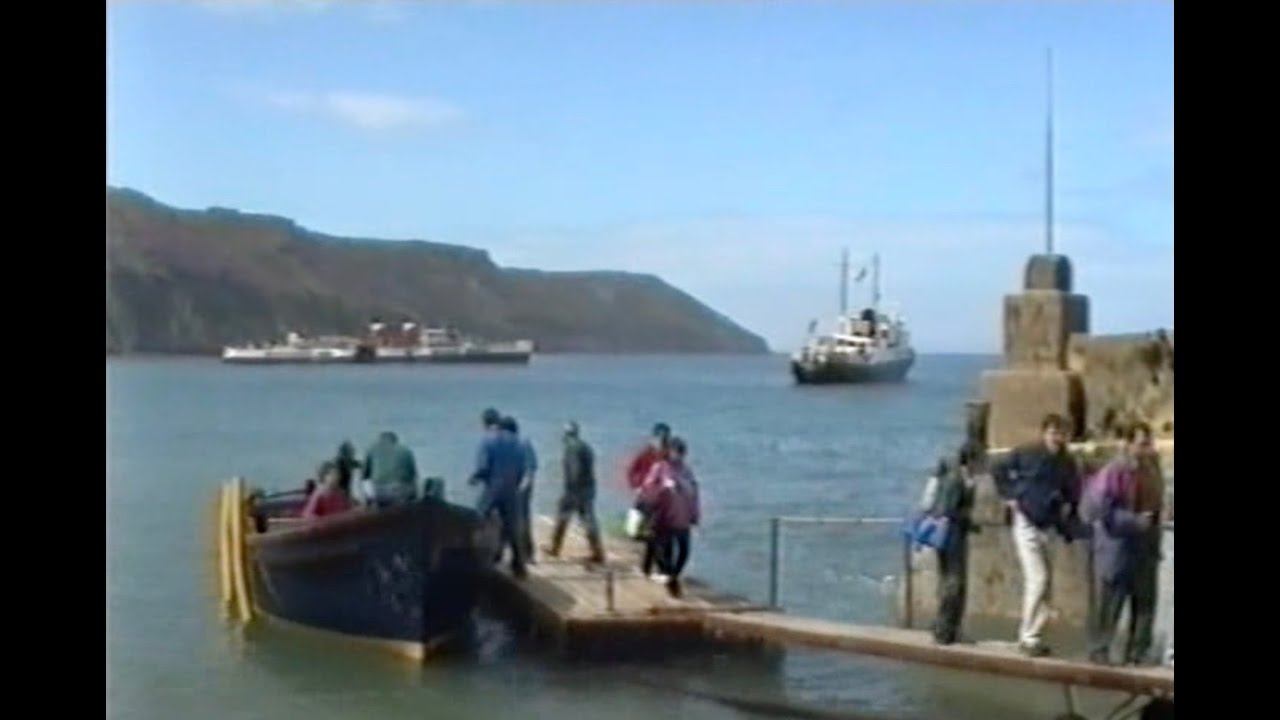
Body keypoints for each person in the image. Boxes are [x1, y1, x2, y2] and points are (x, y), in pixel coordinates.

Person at [991, 413, 1082, 657]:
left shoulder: (1066, 460)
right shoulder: (1027, 452)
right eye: (1053, 433)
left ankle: (1035, 636)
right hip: (1026, 522)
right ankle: (1027, 636)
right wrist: (1010, 496)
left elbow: (1074, 490)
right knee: (1038, 579)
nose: (1058, 438)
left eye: (1062, 433)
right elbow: (998, 467)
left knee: (1046, 584)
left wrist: (1070, 513)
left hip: (1048, 525)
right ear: (1044, 433)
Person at [1083, 422, 1163, 665]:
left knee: (1146, 604)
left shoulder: (1153, 469)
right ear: (1128, 444)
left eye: (1148, 444)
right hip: (1118, 547)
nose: (1146, 449)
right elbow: (1096, 509)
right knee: (1110, 603)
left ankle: (1138, 654)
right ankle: (1099, 652)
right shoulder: (1113, 472)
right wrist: (1134, 521)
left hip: (1147, 547)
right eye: (1141, 444)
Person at [919, 444, 980, 645]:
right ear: (970, 460)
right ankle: (944, 630)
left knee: (951, 581)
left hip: (952, 534)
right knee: (954, 582)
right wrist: (968, 521)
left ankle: (950, 628)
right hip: (951, 535)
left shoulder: (961, 477)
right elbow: (949, 509)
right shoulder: (956, 479)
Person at [638, 436, 700, 598]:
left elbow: (694, 493)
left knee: (685, 551)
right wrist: (663, 487)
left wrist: (695, 513)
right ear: (669, 452)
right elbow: (647, 486)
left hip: (684, 516)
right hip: (665, 516)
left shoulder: (687, 470)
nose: (678, 455)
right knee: (665, 552)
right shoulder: (660, 467)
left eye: (681, 452)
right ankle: (671, 581)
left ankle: (673, 575)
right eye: (675, 451)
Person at [472, 413, 529, 578]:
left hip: (493, 488)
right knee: (512, 528)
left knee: (478, 519)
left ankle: (477, 557)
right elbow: (523, 469)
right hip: (512, 490)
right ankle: (519, 566)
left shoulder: (488, 440)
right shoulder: (520, 443)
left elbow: (483, 467)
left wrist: (475, 478)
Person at [545, 421, 605, 563]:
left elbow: (574, 471)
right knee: (589, 520)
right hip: (588, 488)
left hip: (574, 489)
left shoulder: (571, 448)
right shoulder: (586, 447)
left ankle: (555, 547)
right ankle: (597, 552)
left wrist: (571, 491)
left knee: (562, 516)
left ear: (567, 434)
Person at [500, 416, 539, 564]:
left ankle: (524, 554)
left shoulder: (521, 444)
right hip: (515, 487)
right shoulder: (520, 443)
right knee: (520, 520)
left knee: (519, 520)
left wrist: (521, 488)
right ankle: (522, 554)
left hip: (517, 488)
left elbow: (529, 469)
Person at [361, 431, 419, 507]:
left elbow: (365, 475)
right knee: (413, 482)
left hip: (378, 493)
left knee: (365, 481)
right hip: (400, 493)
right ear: (395, 440)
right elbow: (413, 475)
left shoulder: (371, 449)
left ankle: (369, 506)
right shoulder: (406, 450)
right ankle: (412, 506)